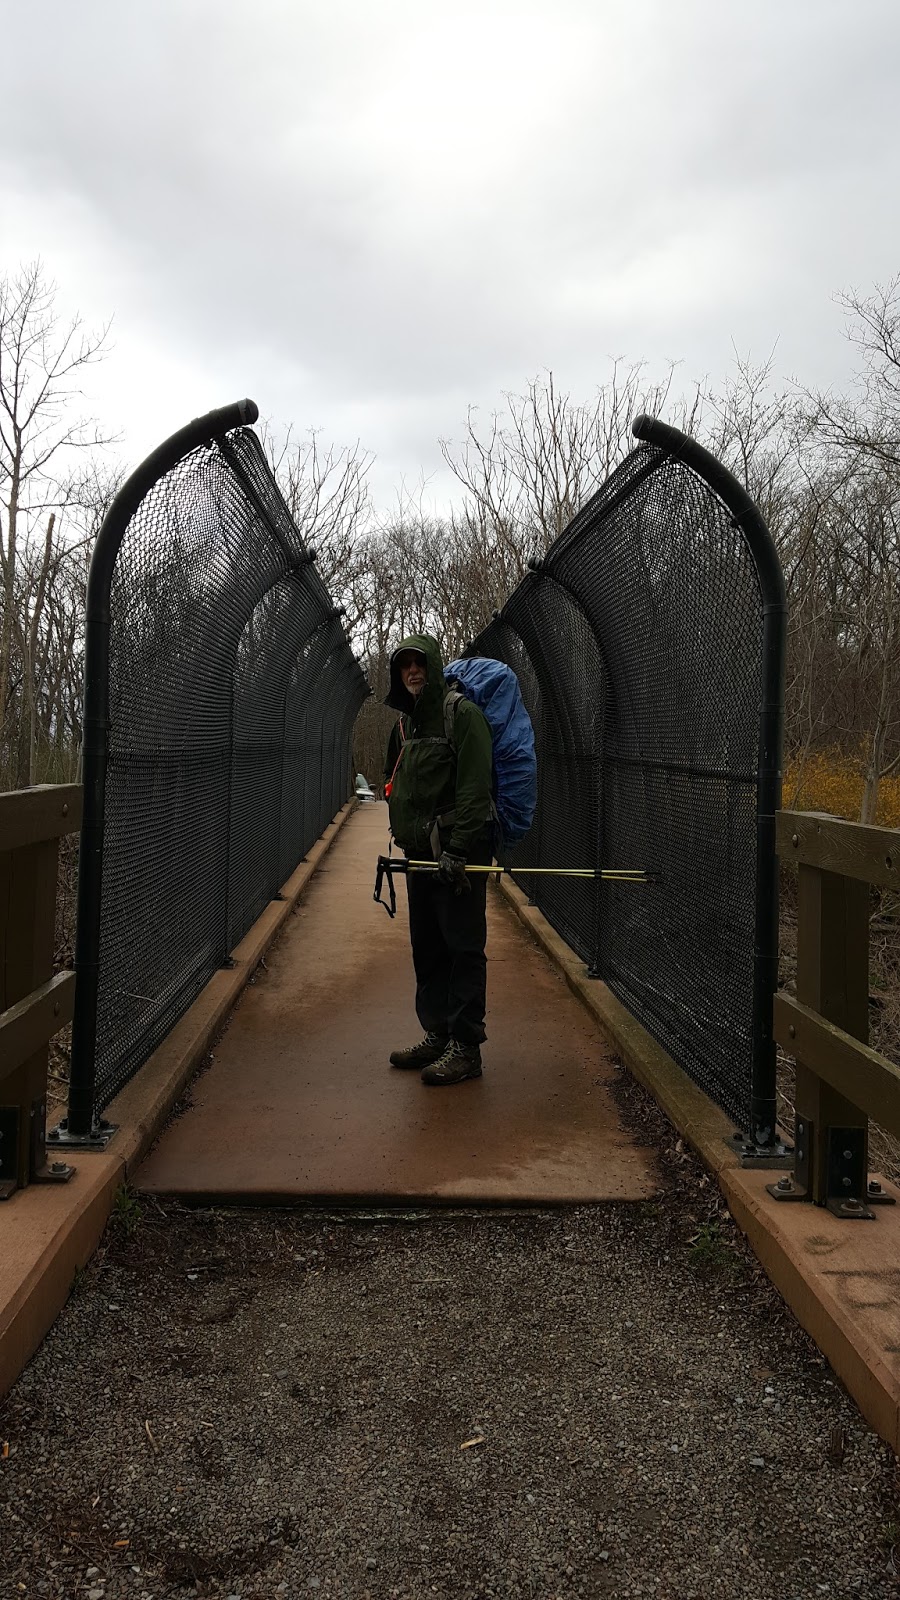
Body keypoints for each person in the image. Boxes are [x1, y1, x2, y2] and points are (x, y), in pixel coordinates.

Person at [383, 634, 494, 1086]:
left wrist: (459, 849)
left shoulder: (462, 715)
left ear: (433, 665)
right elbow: (398, 786)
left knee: (462, 945)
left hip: (456, 854)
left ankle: (466, 1047)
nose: (412, 671)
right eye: (404, 665)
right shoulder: (403, 727)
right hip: (418, 857)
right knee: (426, 945)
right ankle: (437, 1033)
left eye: (419, 663)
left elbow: (474, 787)